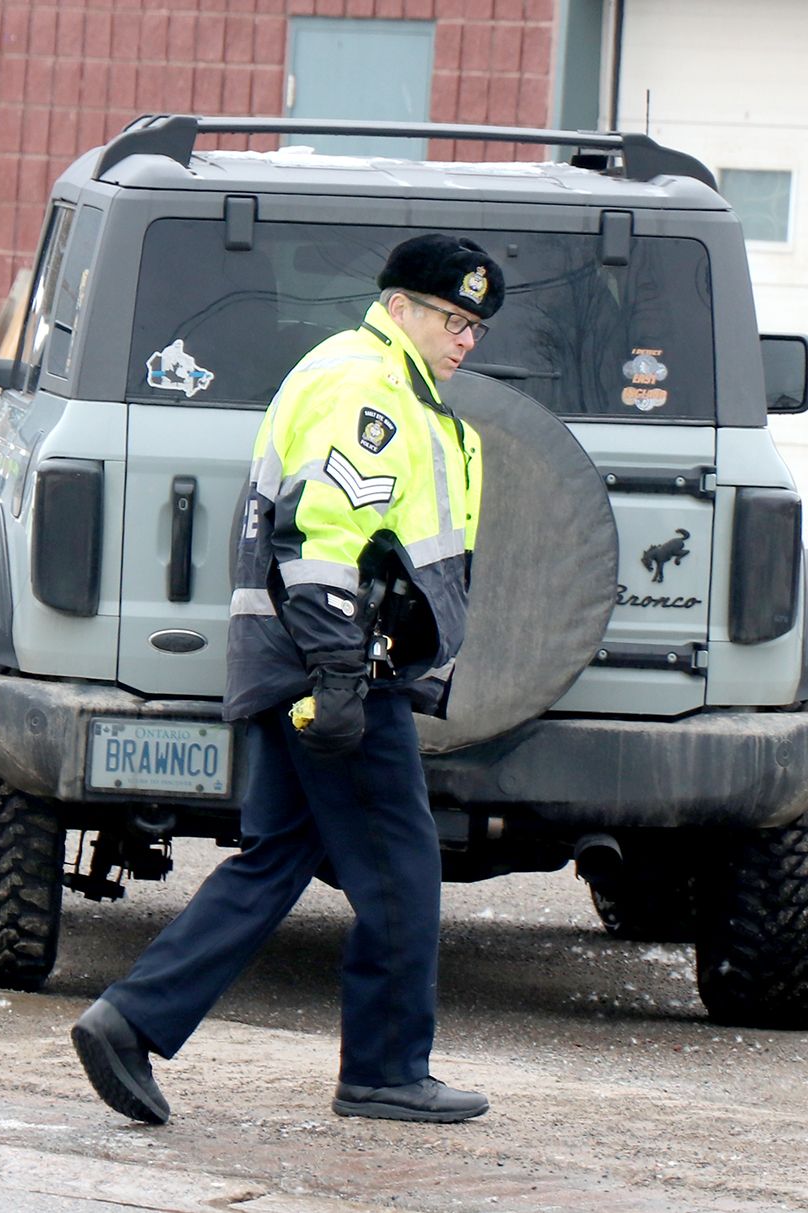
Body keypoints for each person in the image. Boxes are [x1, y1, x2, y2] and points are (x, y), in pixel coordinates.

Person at [70, 234, 503, 1125]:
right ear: (398, 308)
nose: (467, 340)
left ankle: (131, 1020)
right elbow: (320, 538)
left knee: (277, 857)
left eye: (476, 326)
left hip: (306, 661)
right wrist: (343, 676)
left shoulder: (383, 382)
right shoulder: (367, 388)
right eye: (453, 319)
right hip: (334, 666)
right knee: (400, 868)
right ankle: (384, 1070)